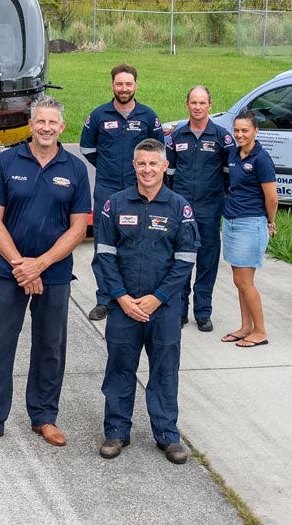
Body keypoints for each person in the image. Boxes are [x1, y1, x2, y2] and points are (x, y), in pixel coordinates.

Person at [0, 97, 91, 448]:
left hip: (54, 273)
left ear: (63, 127)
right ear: (31, 125)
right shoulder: (6, 161)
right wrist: (21, 265)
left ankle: (44, 417)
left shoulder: (75, 169)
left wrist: (41, 264)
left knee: (50, 346)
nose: (46, 128)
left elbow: (78, 229)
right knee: (0, 343)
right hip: (9, 272)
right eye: (40, 122)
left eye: (53, 123)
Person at [93, 138, 199, 463]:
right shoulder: (115, 204)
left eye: (154, 163)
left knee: (165, 370)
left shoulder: (180, 208)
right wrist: (122, 298)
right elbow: (104, 256)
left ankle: (167, 435)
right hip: (124, 307)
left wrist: (158, 298)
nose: (148, 169)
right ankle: (116, 432)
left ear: (165, 166)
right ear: (134, 166)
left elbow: (185, 260)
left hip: (163, 309)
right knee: (120, 369)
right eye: (142, 163)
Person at [80, 64, 164, 321]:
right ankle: (104, 299)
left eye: (128, 84)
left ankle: (138, 295)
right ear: (112, 85)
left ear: (136, 85)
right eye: (119, 84)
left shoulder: (149, 117)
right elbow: (87, 149)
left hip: (139, 190)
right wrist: (109, 169)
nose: (124, 89)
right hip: (107, 188)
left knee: (140, 242)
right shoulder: (98, 116)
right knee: (104, 245)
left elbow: (159, 154)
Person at [166, 86, 234, 333]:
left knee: (207, 262)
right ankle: (180, 311)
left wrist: (222, 202)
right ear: (187, 105)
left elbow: (229, 174)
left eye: (202, 103)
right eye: (193, 102)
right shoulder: (176, 137)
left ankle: (203, 312)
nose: (197, 107)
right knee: (181, 260)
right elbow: (168, 176)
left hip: (209, 209)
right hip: (182, 211)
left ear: (209, 105)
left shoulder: (221, 137)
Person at [221, 109, 278, 348]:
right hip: (232, 222)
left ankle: (260, 331)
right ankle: (246, 327)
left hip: (251, 223)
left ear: (256, 131)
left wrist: (270, 221)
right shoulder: (234, 154)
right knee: (238, 280)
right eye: (236, 130)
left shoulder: (261, 159)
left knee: (246, 281)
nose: (240, 134)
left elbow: (272, 198)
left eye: (245, 130)